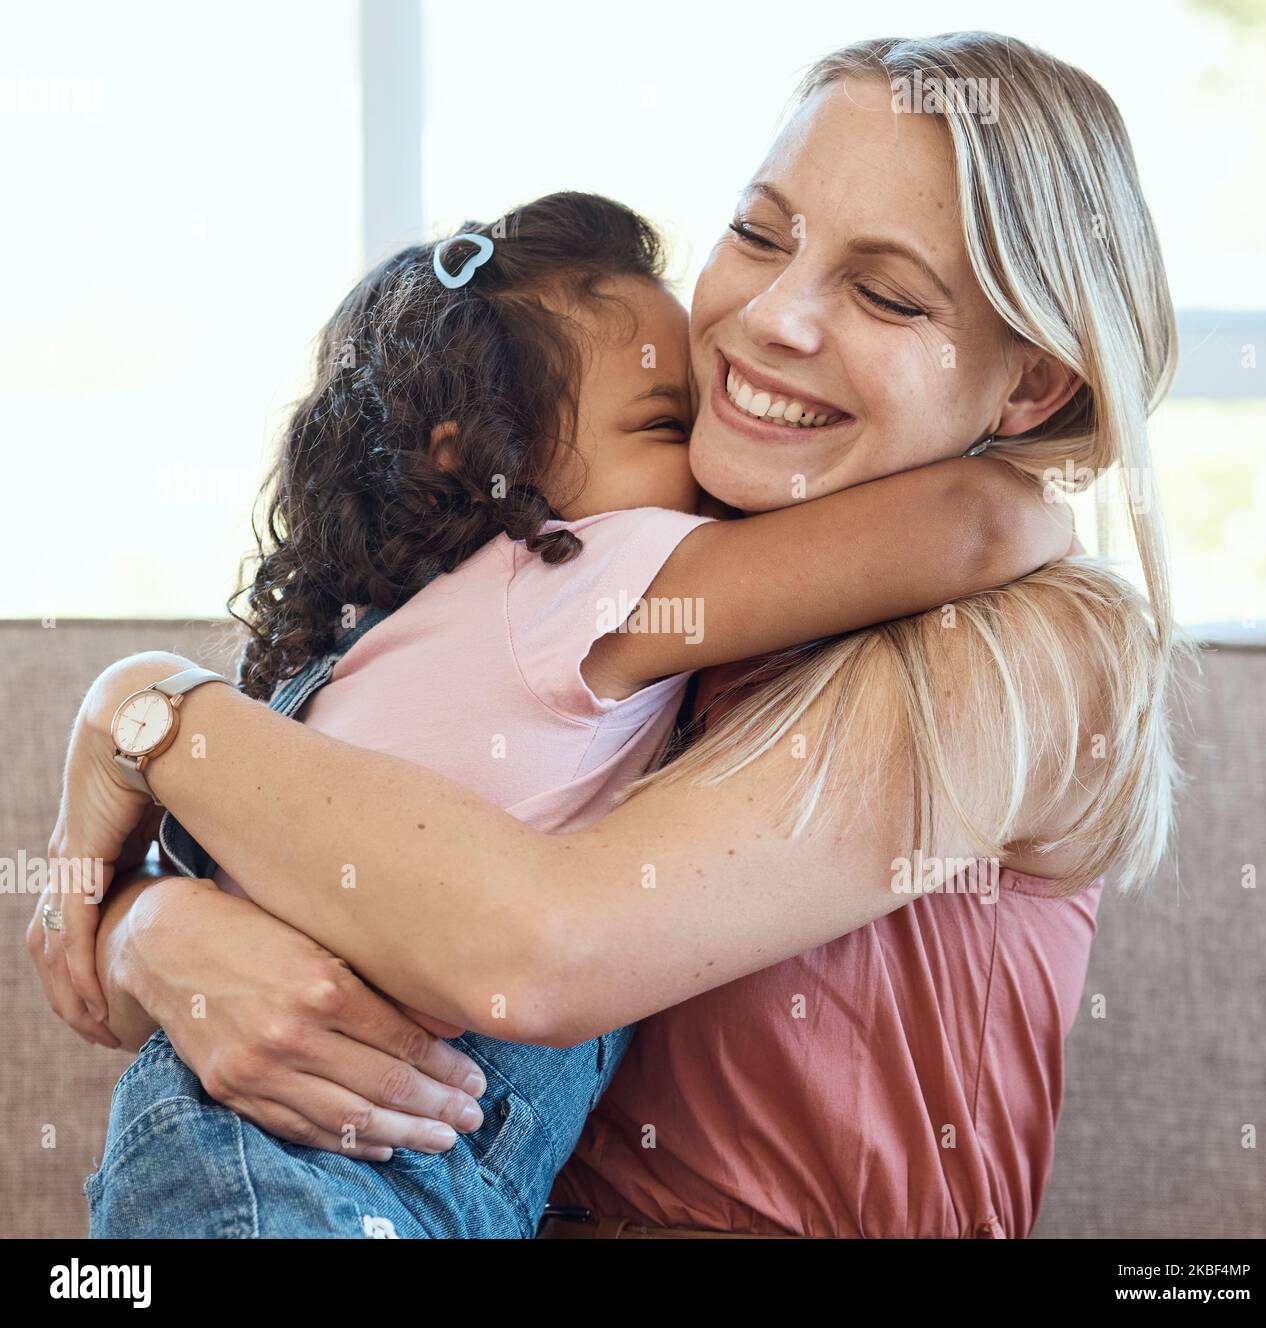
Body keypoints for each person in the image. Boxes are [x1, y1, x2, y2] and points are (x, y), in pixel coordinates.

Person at [33, 32, 1187, 1238]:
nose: (772, 319)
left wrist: (143, 711)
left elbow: (537, 949)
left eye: (886, 293)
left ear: (1029, 387)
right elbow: (210, 904)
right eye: (758, 234)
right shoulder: (616, 552)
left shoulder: (1029, 646)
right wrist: (157, 932)